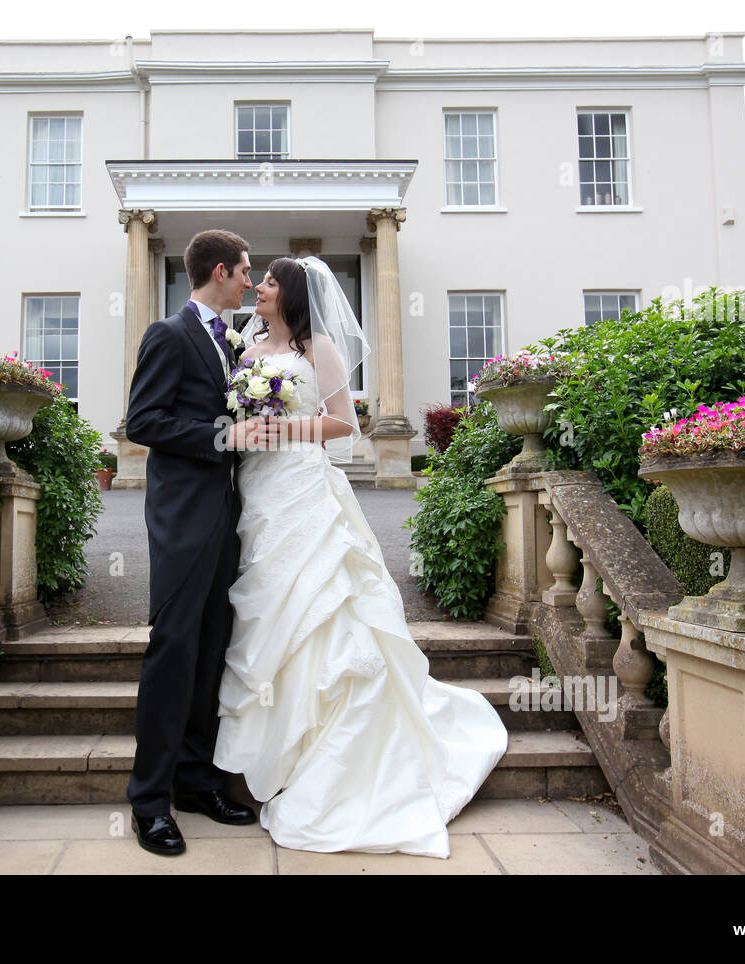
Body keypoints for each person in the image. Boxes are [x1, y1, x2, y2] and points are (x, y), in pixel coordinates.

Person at [212, 255, 510, 859]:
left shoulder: (315, 346)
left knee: (325, 601)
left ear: (290, 294)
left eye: (268, 282)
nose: (258, 289)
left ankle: (332, 752)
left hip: (303, 488)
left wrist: (283, 428)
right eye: (258, 279)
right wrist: (244, 422)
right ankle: (281, 747)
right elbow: (230, 418)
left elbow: (344, 424)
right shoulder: (243, 348)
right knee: (268, 602)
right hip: (258, 491)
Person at [123, 229, 277, 856]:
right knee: (175, 649)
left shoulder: (230, 342)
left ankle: (196, 779)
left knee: (212, 648)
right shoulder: (169, 333)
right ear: (220, 271)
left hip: (225, 514)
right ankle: (149, 801)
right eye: (245, 272)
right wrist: (225, 435)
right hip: (183, 519)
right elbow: (144, 421)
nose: (250, 282)